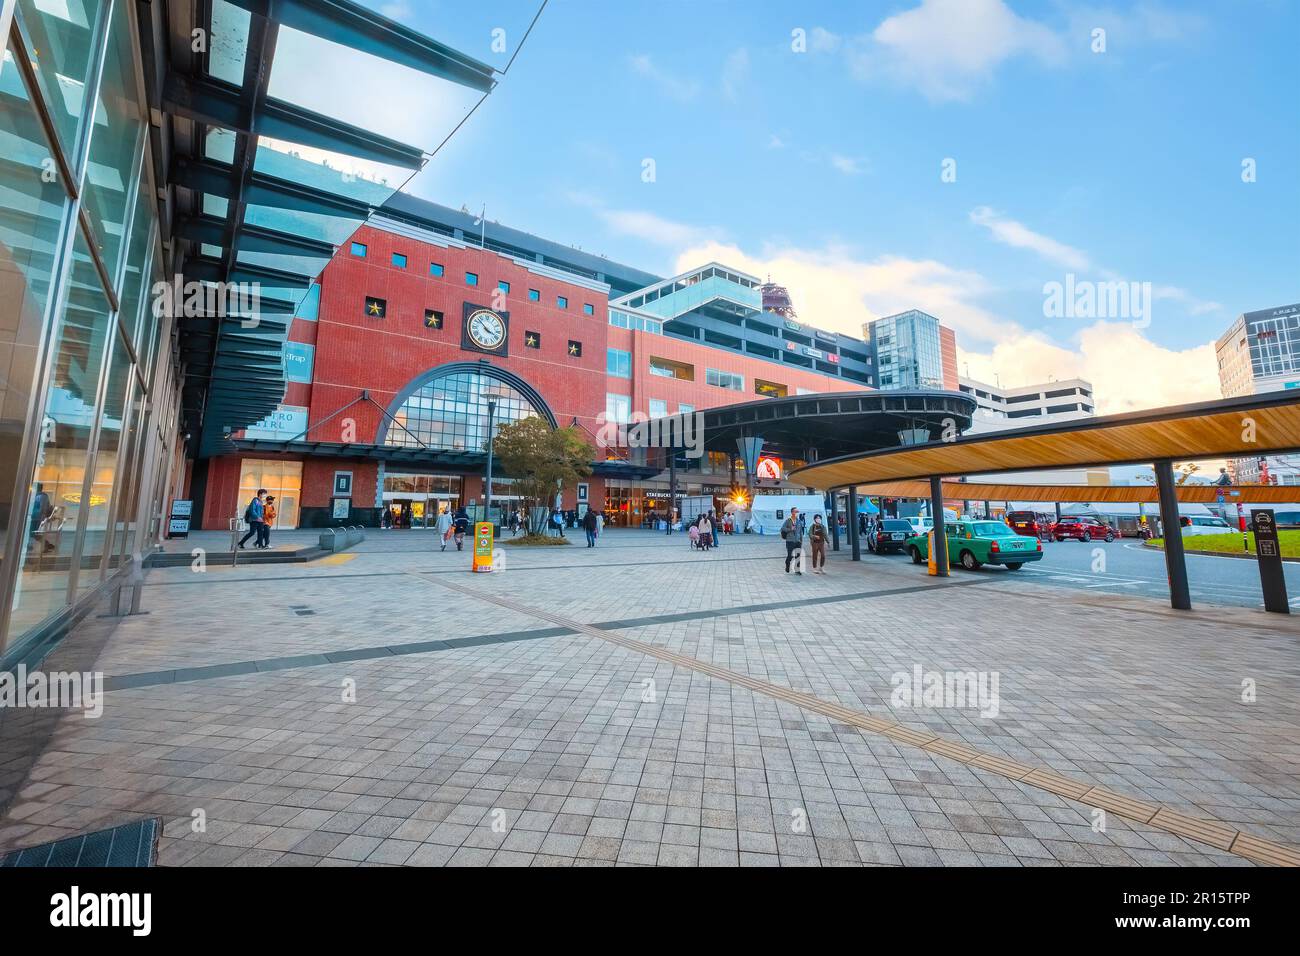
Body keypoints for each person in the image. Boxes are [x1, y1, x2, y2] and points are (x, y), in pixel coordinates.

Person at [780, 506, 803, 574]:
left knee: (798, 556)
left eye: (797, 512)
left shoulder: (799, 521)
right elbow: (782, 528)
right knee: (790, 555)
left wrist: (801, 540)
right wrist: (790, 529)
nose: (797, 513)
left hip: (798, 541)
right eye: (796, 511)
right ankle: (787, 563)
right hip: (790, 541)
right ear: (792, 512)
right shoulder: (788, 520)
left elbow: (800, 531)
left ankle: (797, 570)